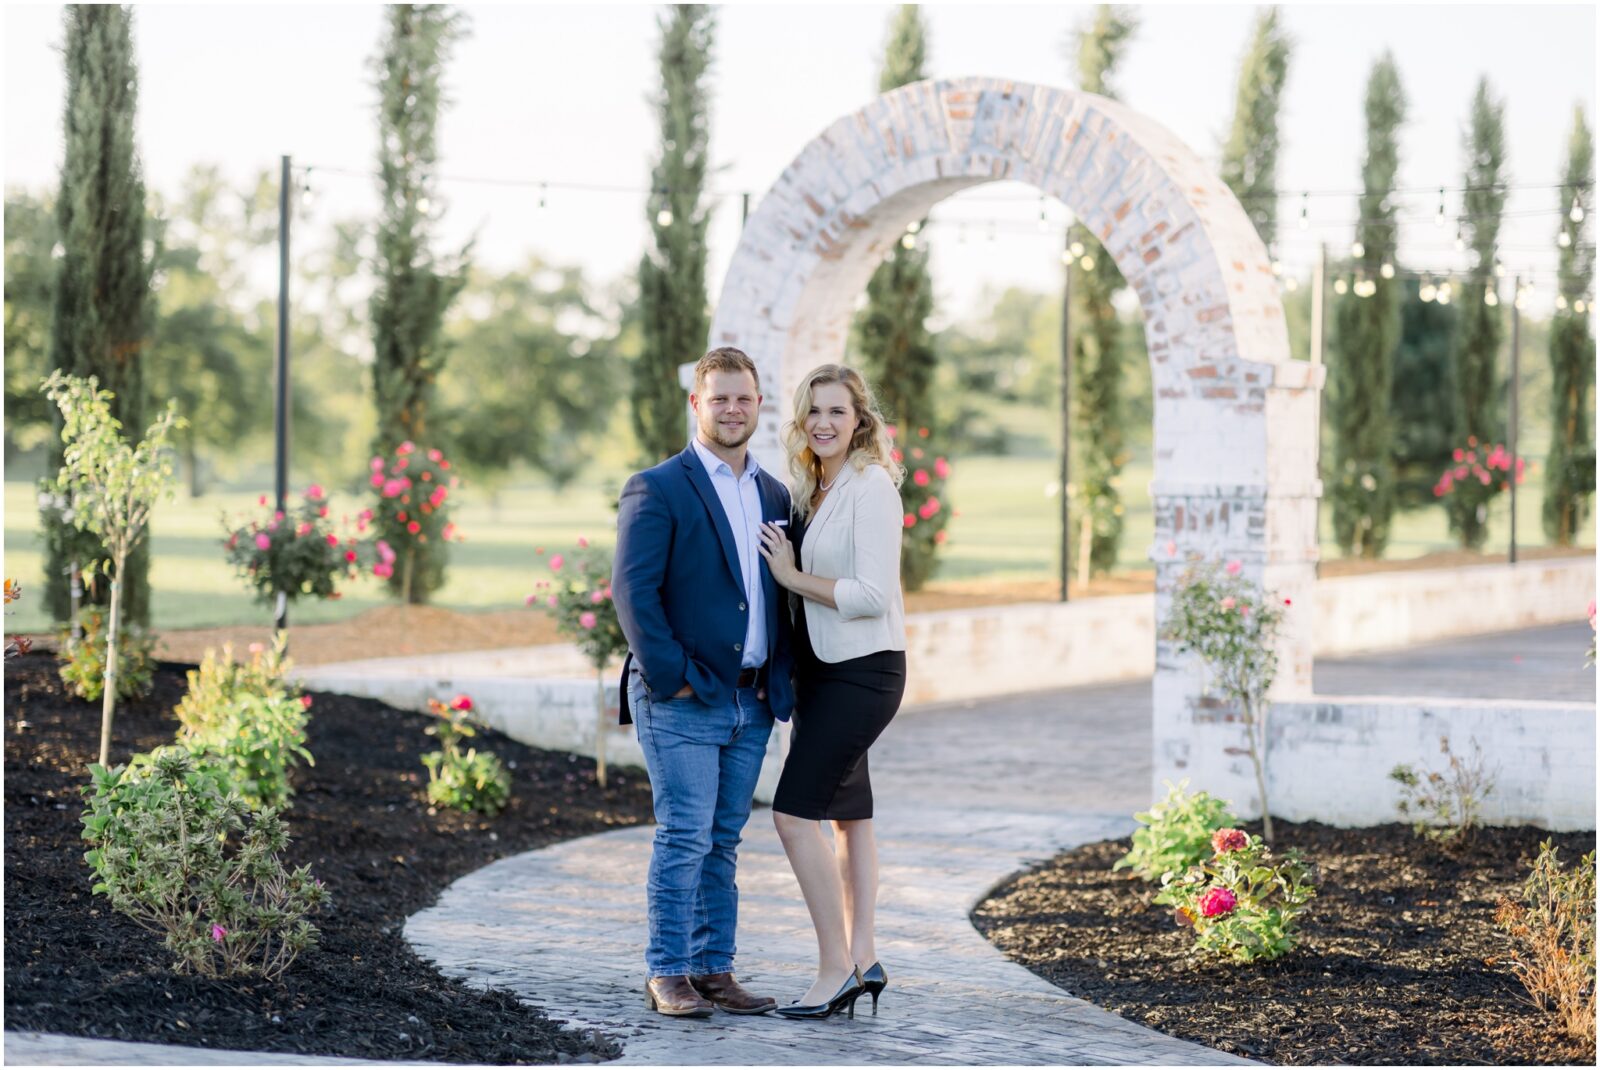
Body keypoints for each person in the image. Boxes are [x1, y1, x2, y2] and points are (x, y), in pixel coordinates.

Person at [612, 346, 796, 1019]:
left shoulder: (775, 494)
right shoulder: (657, 487)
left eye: (743, 397)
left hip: (752, 701)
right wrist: (676, 681)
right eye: (719, 397)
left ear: (758, 405)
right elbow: (633, 593)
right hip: (683, 698)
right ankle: (668, 971)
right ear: (697, 404)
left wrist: (781, 683)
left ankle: (716, 969)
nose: (732, 409)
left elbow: (777, 598)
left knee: (723, 839)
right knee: (685, 832)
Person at [754, 363, 907, 1022]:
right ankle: (864, 956)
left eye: (836, 412)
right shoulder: (814, 487)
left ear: (859, 420)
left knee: (792, 814)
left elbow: (871, 597)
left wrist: (790, 576)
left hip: (864, 669)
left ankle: (833, 967)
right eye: (813, 412)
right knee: (851, 816)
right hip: (822, 670)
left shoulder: (872, 488)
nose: (822, 423)